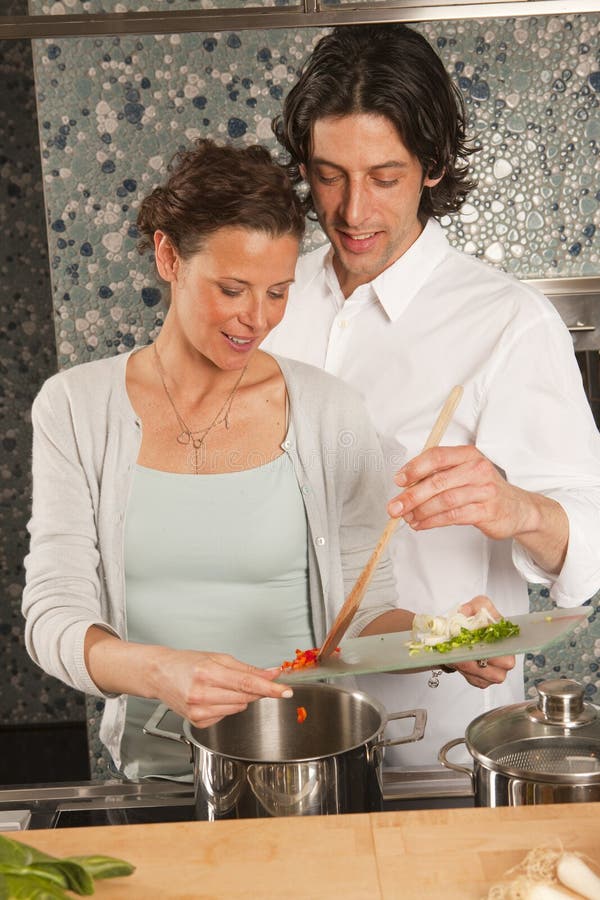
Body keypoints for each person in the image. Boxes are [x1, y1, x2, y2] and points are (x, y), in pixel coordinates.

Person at [22, 138, 504, 780]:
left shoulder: (329, 410)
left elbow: (359, 616)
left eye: (277, 292)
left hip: (307, 766)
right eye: (232, 288)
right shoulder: (75, 408)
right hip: (155, 776)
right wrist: (160, 670)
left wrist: (447, 638)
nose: (256, 319)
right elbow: (54, 613)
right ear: (168, 256)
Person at [264, 24, 600, 766]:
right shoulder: (268, 301)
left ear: (434, 166)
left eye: (384, 177)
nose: (353, 211)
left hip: (434, 743)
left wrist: (518, 509)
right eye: (328, 174)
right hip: (272, 724)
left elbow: (591, 542)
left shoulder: (508, 322)